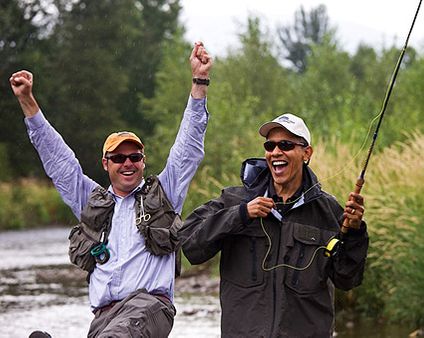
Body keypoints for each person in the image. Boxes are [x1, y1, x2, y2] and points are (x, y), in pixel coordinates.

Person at [10, 42, 212, 338]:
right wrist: (28, 101)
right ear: (106, 164)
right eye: (118, 158)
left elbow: (188, 149)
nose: (127, 163)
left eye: (134, 157)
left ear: (143, 161)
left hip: (150, 308)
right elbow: (59, 161)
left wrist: (200, 82)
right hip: (104, 317)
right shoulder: (90, 201)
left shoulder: (165, 194)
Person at [179, 113, 369, 337]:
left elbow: (347, 279)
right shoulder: (235, 201)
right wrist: (241, 214)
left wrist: (355, 232)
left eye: (286, 145)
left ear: (306, 153)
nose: (276, 152)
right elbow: (190, 244)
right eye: (270, 146)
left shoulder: (329, 212)